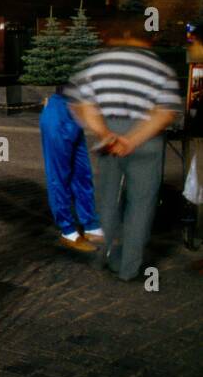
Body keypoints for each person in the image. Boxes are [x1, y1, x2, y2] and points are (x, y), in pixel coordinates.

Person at [65, 15, 182, 281]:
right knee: (141, 204)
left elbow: (80, 103)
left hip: (109, 133)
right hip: (147, 138)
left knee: (106, 198)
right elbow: (165, 112)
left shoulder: (96, 63)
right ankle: (129, 267)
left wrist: (106, 134)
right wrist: (133, 139)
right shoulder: (159, 67)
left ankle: (100, 256)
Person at [40, 86, 101, 252]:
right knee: (59, 176)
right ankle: (68, 230)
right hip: (60, 111)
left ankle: (90, 225)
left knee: (82, 173)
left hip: (76, 110)